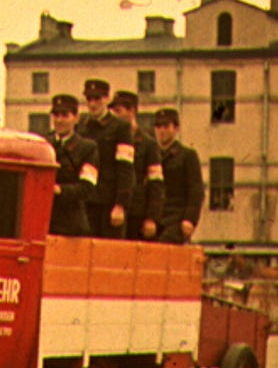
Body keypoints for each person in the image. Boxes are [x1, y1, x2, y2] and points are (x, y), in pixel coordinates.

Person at [79, 79, 134, 239]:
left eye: (98, 99)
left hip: (109, 202)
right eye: (89, 99)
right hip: (86, 200)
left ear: (107, 99)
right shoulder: (81, 125)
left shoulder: (121, 127)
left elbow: (125, 167)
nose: (93, 104)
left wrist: (120, 204)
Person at [109, 90, 162, 240]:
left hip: (136, 213)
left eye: (118, 111)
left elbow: (156, 183)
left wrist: (152, 217)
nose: (115, 116)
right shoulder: (111, 139)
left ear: (132, 111)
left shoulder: (148, 144)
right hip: (113, 208)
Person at [45, 93, 99, 236]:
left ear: (76, 118)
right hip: (45, 222)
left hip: (71, 227)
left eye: (65, 115)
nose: (59, 120)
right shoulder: (44, 144)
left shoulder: (87, 148)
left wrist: (59, 190)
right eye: (56, 115)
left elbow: (87, 187)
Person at [152, 107, 203, 244]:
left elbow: (195, 191)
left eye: (166, 126)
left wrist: (190, 219)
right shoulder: (151, 155)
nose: (162, 130)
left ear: (176, 128)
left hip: (176, 220)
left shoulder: (187, 156)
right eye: (158, 126)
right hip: (154, 220)